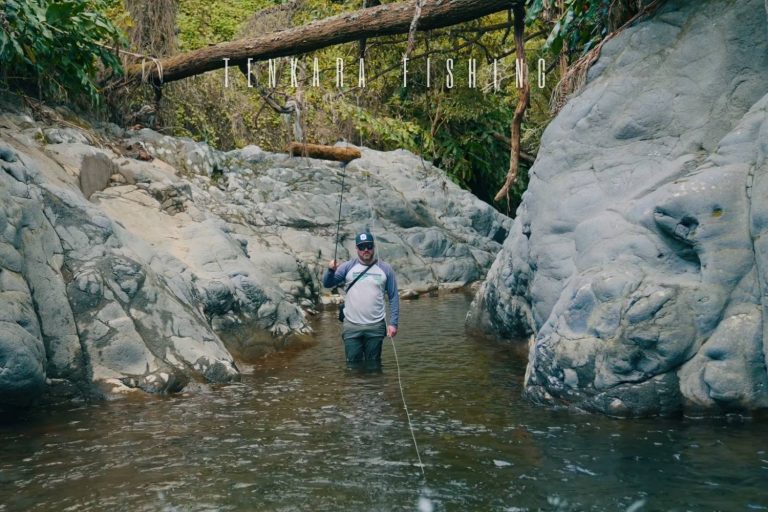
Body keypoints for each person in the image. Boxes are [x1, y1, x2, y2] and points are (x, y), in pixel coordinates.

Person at [323, 230, 399, 367]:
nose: (366, 250)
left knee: (374, 366)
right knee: (352, 366)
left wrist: (393, 323)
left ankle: (374, 388)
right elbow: (327, 283)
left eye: (369, 246)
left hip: (376, 326)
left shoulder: (385, 269)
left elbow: (393, 297)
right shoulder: (347, 267)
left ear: (373, 247)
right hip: (352, 326)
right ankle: (356, 389)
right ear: (356, 248)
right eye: (362, 247)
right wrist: (330, 270)